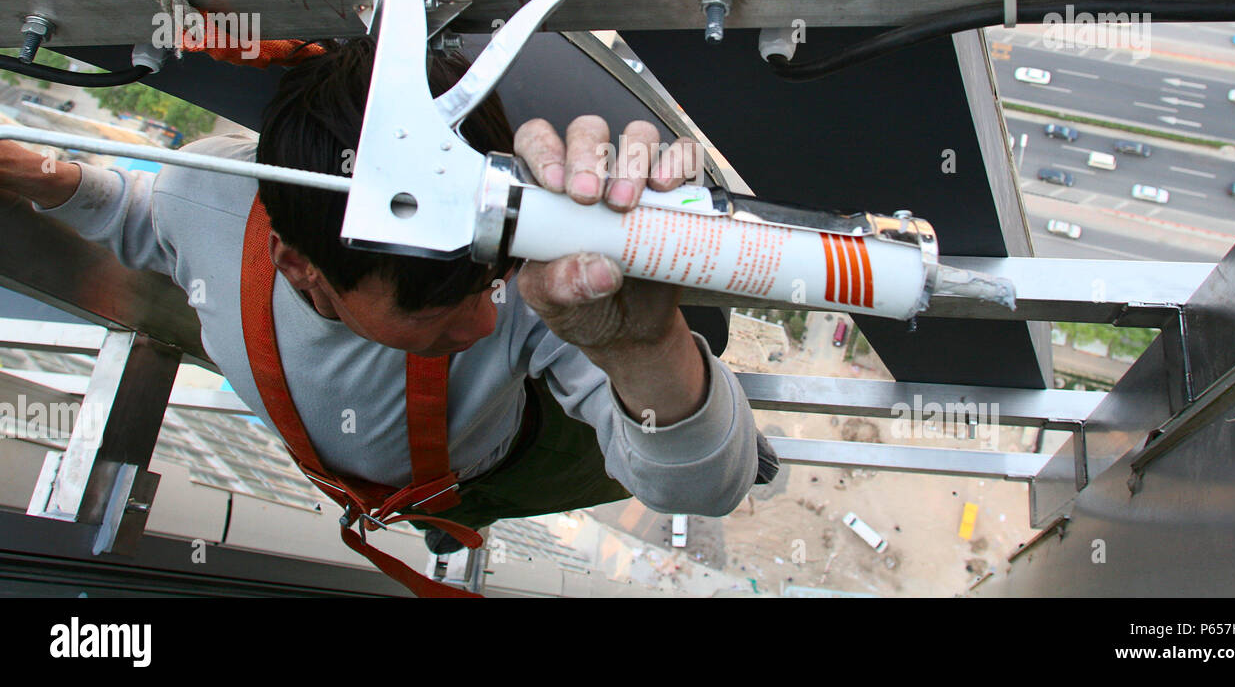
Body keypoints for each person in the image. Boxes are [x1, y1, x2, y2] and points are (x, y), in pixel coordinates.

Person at [0, 37, 774, 579]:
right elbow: (141, 216)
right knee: (451, 516)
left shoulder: (529, 294)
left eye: (487, 285)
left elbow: (703, 497)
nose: (482, 324)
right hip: (416, 490)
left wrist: (647, 354)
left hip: (520, 452)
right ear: (300, 270)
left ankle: (722, 421)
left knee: (654, 449)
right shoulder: (201, 194)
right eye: (435, 319)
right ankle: (445, 522)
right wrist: (52, 177)